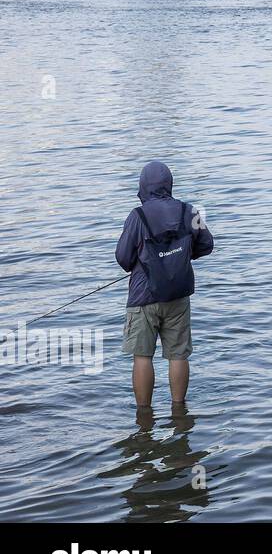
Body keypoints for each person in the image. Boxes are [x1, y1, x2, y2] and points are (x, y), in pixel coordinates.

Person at [114, 161, 214, 411]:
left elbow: (123, 258)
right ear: (169, 184)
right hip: (178, 295)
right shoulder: (190, 211)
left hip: (142, 296)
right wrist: (181, 257)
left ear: (143, 186)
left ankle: (144, 416)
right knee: (178, 355)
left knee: (142, 356)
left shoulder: (137, 216)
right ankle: (179, 409)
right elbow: (207, 244)